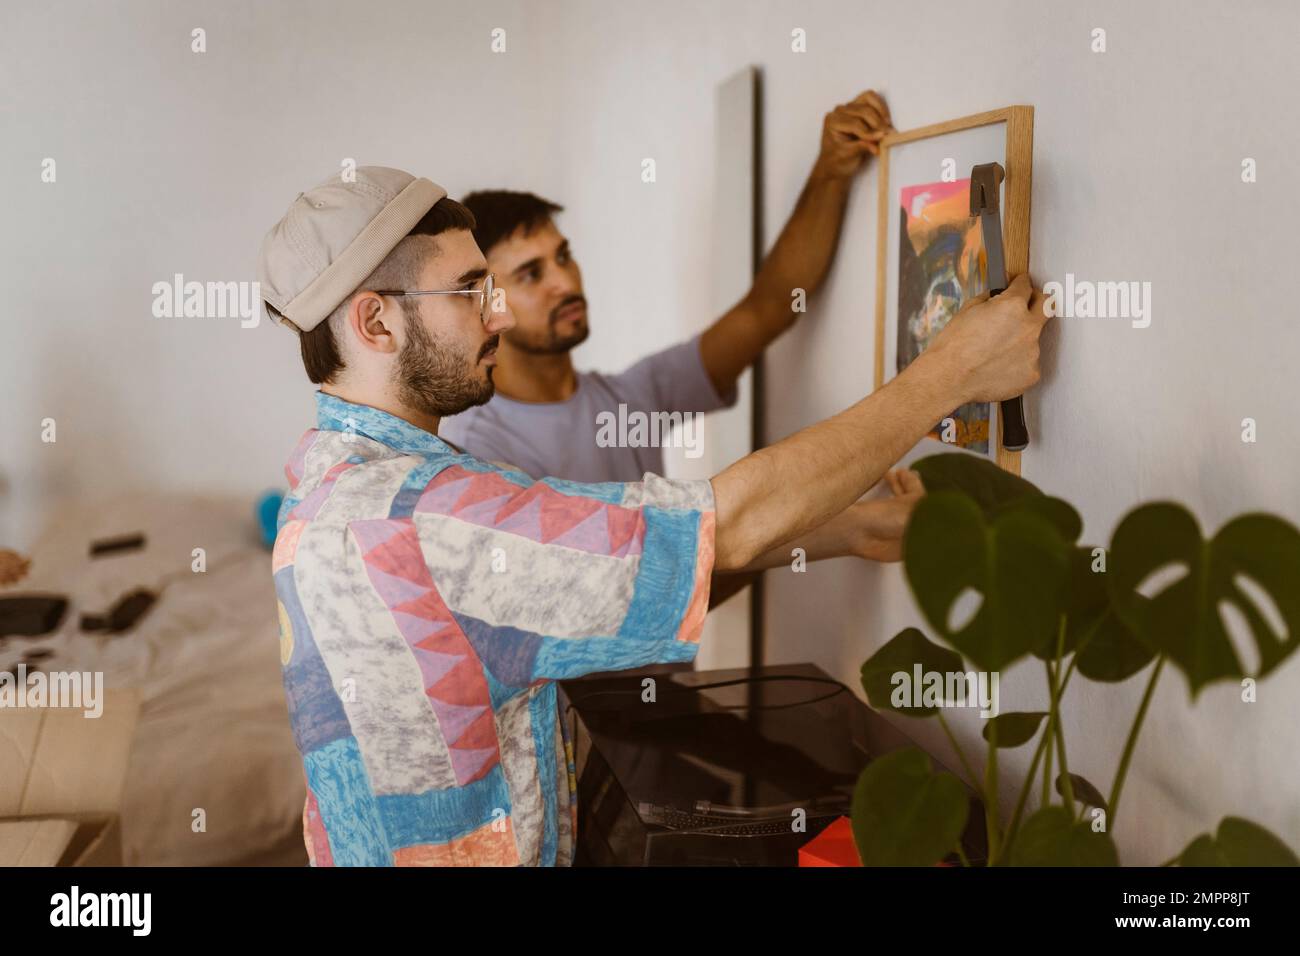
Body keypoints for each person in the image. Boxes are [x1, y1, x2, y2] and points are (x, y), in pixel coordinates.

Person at [256, 165, 1047, 866]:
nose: (497, 315)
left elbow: (635, 554)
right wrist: (950, 373)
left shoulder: (328, 482)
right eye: (472, 290)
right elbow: (719, 529)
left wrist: (847, 529)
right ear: (375, 323)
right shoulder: (429, 516)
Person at [444, 91, 920, 591]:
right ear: (486, 303)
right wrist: (854, 530)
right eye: (531, 273)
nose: (564, 282)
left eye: (564, 256)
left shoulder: (632, 397)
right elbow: (615, 597)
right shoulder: (482, 449)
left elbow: (771, 306)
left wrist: (831, 170)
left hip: (671, 675)